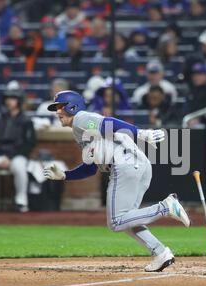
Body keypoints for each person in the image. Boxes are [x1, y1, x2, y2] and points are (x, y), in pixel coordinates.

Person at [43, 90, 191, 272]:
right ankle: (161, 253)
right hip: (138, 165)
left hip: (124, 164)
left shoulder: (81, 119)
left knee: (116, 221)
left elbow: (109, 123)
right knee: (128, 219)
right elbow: (90, 167)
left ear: (72, 106)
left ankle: (166, 207)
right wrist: (66, 175)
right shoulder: (78, 130)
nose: (57, 112)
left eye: (60, 107)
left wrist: (141, 133)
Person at [185, 62, 206, 126]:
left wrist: (199, 119)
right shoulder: (190, 91)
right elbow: (186, 110)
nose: (196, 77)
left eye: (200, 74)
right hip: (189, 121)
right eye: (194, 74)